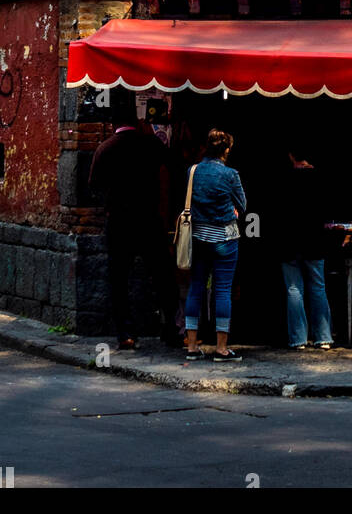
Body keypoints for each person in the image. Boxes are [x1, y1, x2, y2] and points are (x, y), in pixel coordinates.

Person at [89, 110, 181, 351]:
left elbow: (94, 185)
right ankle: (170, 329)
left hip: (119, 222)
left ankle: (125, 334)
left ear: (113, 125)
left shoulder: (105, 148)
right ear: (137, 122)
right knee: (162, 276)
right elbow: (174, 166)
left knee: (119, 279)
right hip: (149, 219)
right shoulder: (151, 143)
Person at [184, 129, 246, 362]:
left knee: (196, 288)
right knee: (222, 290)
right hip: (225, 238)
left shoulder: (193, 171)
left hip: (199, 236)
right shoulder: (231, 174)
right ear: (226, 150)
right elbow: (243, 204)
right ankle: (221, 349)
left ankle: (191, 346)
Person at [277, 146, 334, 351]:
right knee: (318, 287)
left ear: (291, 155)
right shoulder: (320, 178)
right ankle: (324, 337)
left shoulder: (284, 179)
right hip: (315, 240)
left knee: (294, 289)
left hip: (289, 241)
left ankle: (298, 339)